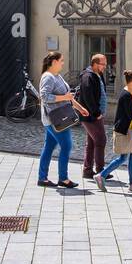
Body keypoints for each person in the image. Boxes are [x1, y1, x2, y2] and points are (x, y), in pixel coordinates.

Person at [37, 50, 84, 189]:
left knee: (49, 147)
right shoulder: (48, 77)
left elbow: (68, 96)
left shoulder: (57, 76)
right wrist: (65, 98)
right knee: (67, 146)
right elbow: (44, 96)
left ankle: (42, 178)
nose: (63, 63)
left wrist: (80, 108)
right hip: (55, 119)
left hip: (57, 118)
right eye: (61, 60)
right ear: (54, 62)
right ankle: (63, 178)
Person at [99, 70, 132, 192]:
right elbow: (131, 115)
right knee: (123, 158)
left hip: (131, 129)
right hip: (124, 130)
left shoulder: (131, 94)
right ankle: (101, 175)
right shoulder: (126, 95)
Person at [74, 53, 109, 187]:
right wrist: (97, 113)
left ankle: (88, 170)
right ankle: (101, 172)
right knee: (101, 140)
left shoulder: (97, 74)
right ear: (95, 64)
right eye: (103, 64)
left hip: (95, 115)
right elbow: (88, 97)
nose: (105, 67)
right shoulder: (88, 76)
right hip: (91, 116)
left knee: (92, 142)